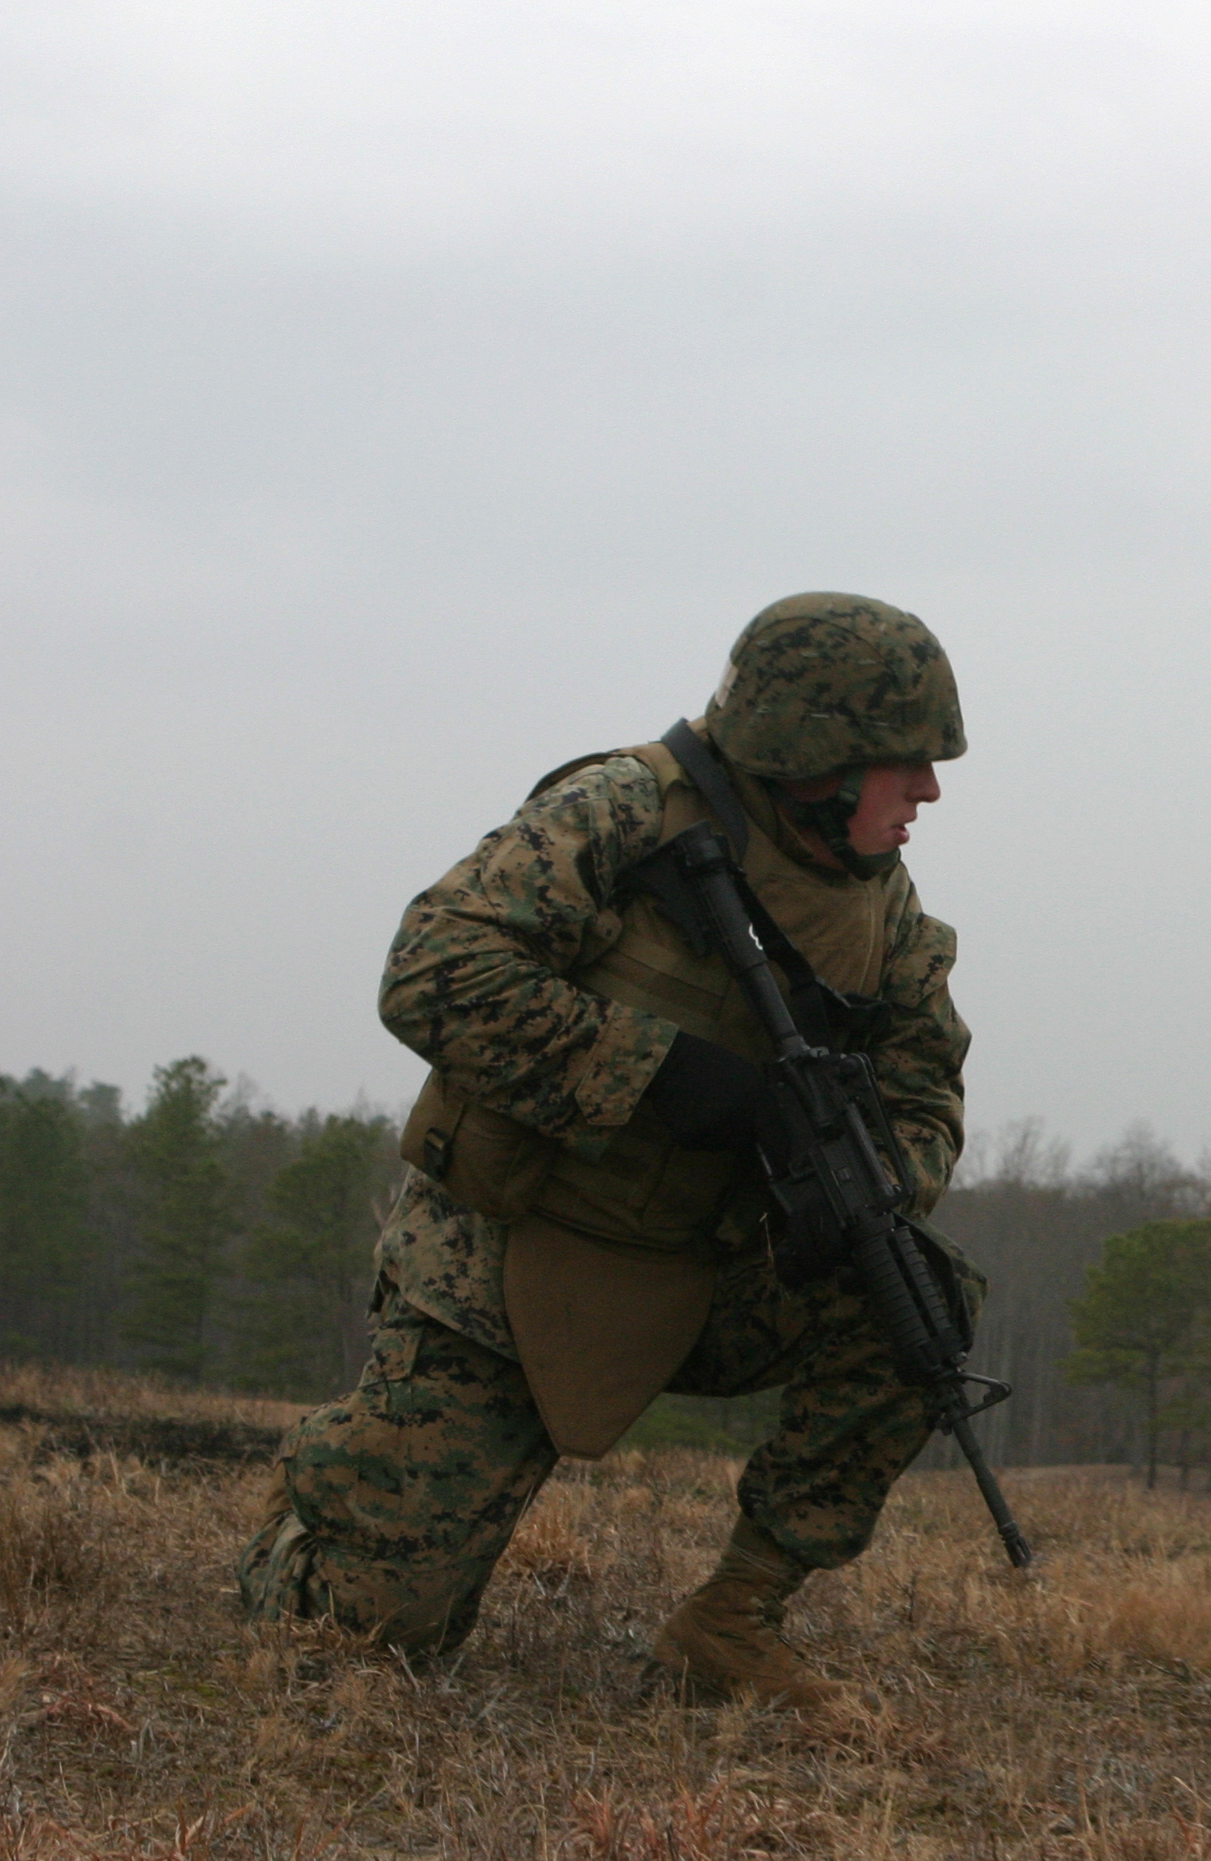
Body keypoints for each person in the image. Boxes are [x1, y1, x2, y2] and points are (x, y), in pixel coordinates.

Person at [237, 592, 976, 1709]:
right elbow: (435, 966)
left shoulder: (889, 918)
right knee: (375, 1632)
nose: (927, 789)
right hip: (506, 1253)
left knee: (914, 1298)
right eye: (906, 760)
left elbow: (927, 1093)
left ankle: (731, 1623)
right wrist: (672, 1076)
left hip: (700, 1264)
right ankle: (325, 1504)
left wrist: (853, 1187)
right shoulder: (628, 813)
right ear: (815, 754)